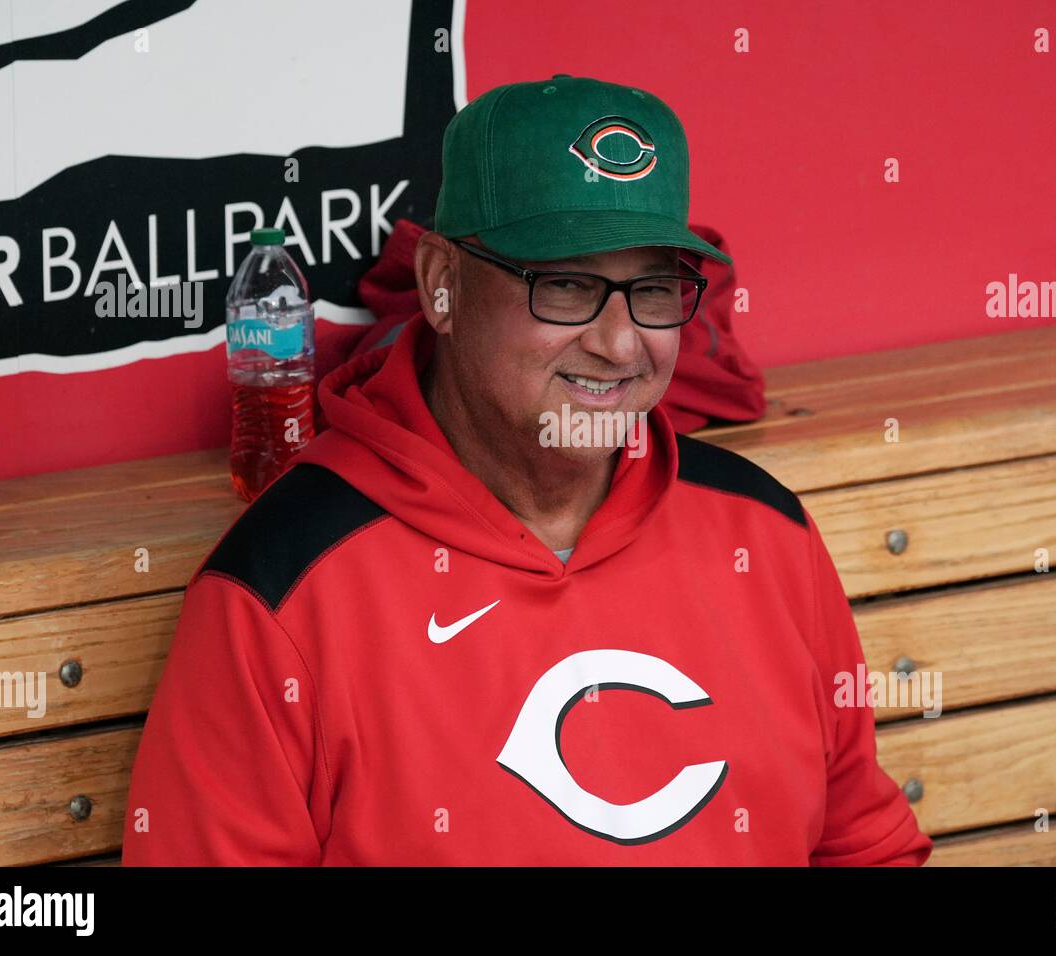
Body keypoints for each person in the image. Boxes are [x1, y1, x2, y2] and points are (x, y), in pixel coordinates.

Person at [122, 73, 932, 866]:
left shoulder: (764, 530)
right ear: (442, 284)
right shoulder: (280, 587)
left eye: (652, 290)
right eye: (568, 285)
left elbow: (862, 844)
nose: (619, 345)